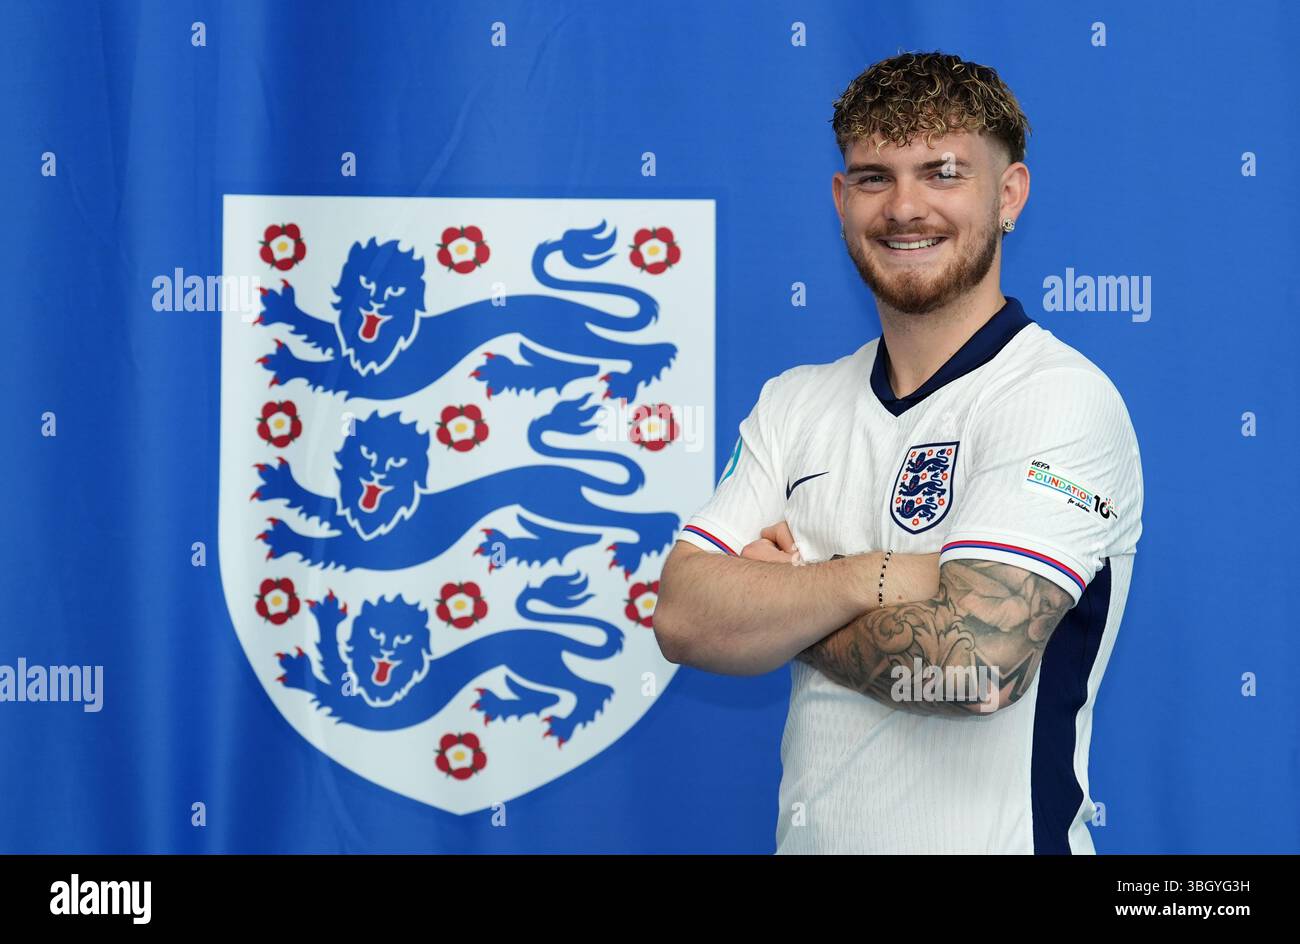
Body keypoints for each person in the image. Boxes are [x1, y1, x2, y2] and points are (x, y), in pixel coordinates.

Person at [653, 50, 1144, 854]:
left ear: (1010, 194)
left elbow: (973, 668)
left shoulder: (1056, 397)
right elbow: (681, 616)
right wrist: (869, 577)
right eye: (875, 177)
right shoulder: (795, 401)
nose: (905, 207)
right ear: (842, 200)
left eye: (942, 172)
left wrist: (781, 605)